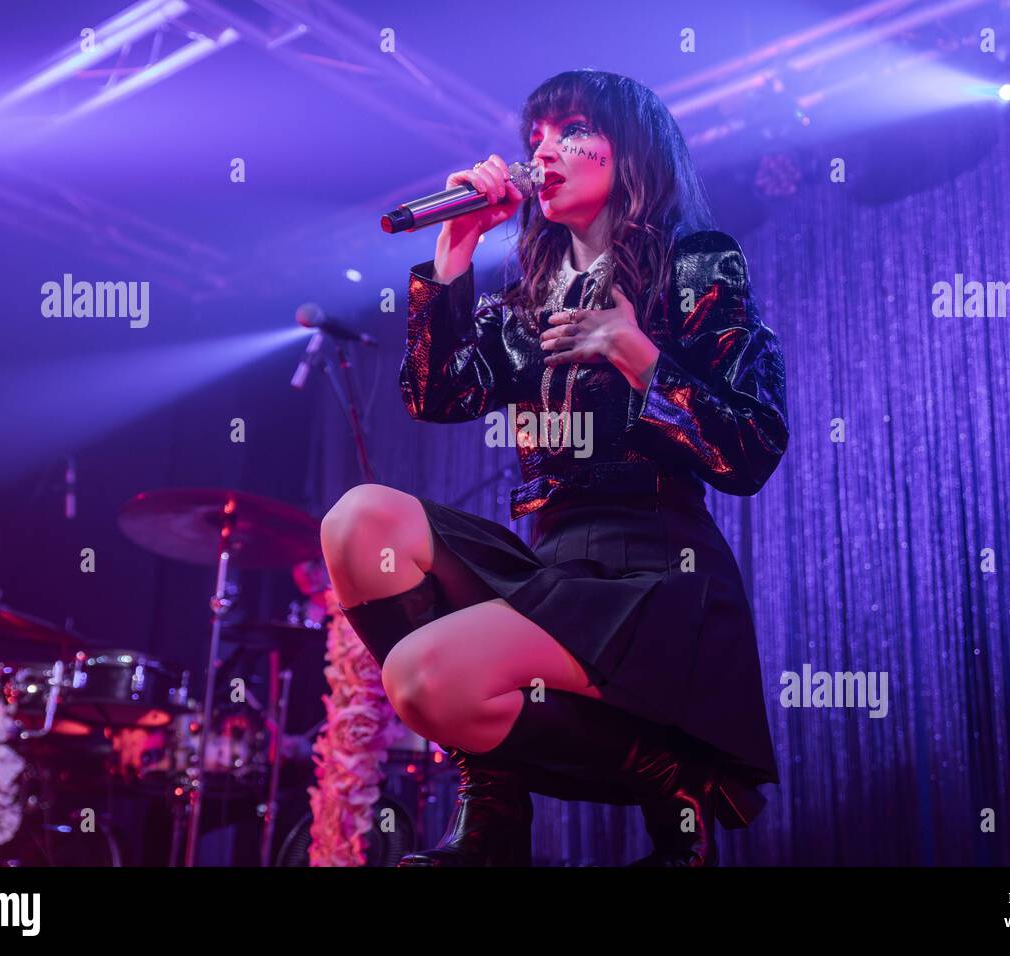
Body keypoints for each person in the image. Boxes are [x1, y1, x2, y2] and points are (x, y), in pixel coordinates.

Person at [320, 69, 788, 867]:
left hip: (651, 570)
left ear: (628, 149)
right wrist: (455, 251)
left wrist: (639, 354)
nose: (545, 153)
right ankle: (497, 815)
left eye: (571, 131)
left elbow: (750, 446)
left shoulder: (697, 261)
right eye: (536, 138)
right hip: (550, 561)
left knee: (425, 680)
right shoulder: (530, 296)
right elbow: (436, 395)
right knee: (358, 521)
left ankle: (669, 774)